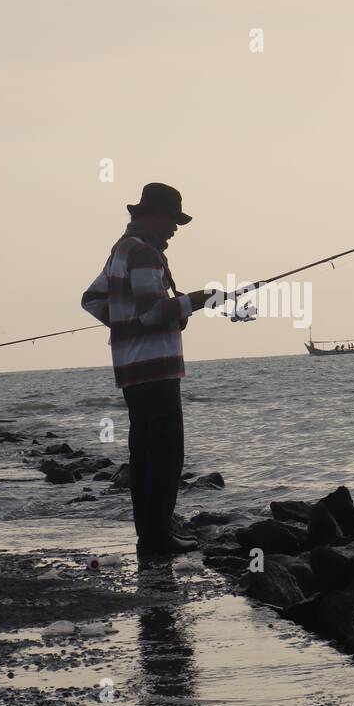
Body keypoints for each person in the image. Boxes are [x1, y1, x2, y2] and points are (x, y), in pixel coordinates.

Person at [82, 182, 213, 555]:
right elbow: (154, 311)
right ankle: (158, 538)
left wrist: (125, 324)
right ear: (153, 216)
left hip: (132, 367)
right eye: (172, 220)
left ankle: (151, 535)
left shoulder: (122, 249)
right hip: (154, 369)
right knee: (166, 454)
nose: (174, 229)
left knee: (144, 454)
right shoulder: (143, 253)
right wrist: (200, 299)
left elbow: (91, 299)